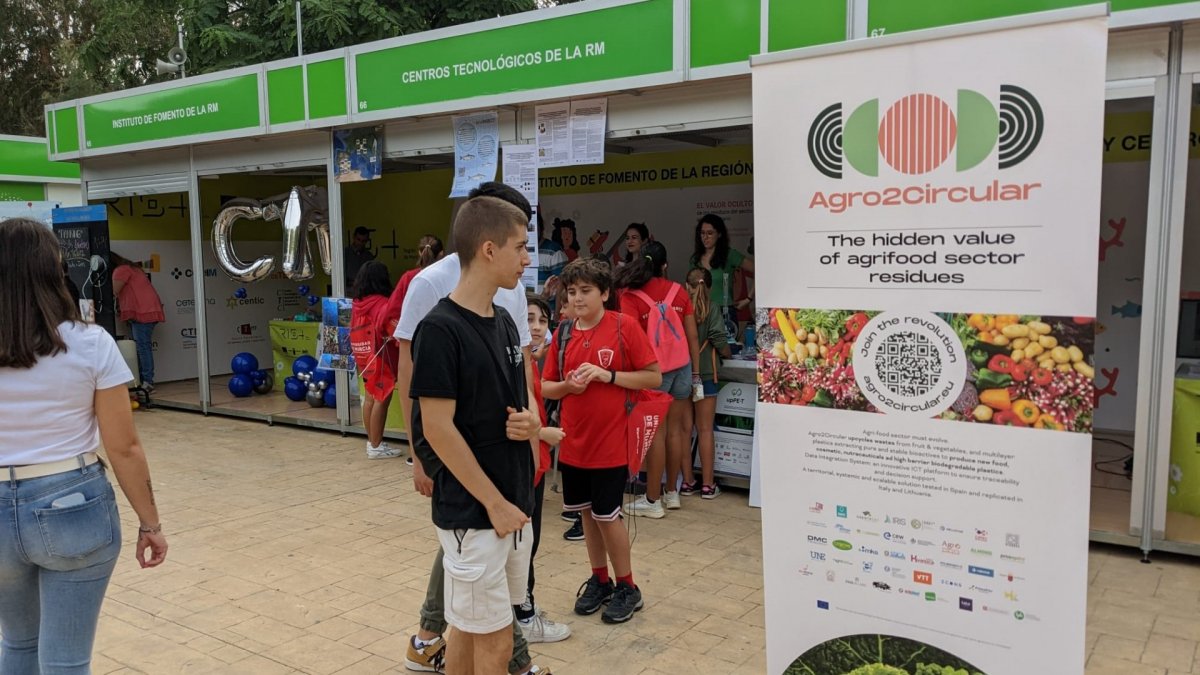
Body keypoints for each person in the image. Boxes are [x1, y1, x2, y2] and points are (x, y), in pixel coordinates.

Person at [394, 182, 564, 675]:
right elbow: (439, 429)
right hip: (476, 513)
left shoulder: (505, 322)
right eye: (520, 247)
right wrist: (492, 502)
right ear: (488, 250)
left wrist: (534, 424)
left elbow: (518, 399)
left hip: (512, 506)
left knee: (470, 629)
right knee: (496, 644)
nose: (527, 259)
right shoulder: (441, 329)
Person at [0, 218, 168, 672]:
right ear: (53, 271)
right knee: (66, 659)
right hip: (71, 502)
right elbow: (124, 447)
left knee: (16, 645)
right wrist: (149, 522)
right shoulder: (91, 343)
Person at [542, 257, 661, 625]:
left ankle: (628, 586)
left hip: (612, 442)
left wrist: (608, 376)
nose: (578, 298)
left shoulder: (624, 327)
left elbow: (653, 378)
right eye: (572, 291)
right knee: (586, 516)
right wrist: (569, 386)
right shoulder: (563, 333)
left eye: (586, 291)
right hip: (573, 442)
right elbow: (545, 386)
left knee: (608, 516)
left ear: (605, 293)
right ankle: (600, 579)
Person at [614, 241, 701, 518]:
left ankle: (652, 501)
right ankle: (671, 493)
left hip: (653, 373)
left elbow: (627, 339)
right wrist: (695, 374)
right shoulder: (679, 291)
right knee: (676, 432)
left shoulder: (630, 295)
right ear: (665, 266)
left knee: (655, 435)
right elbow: (692, 336)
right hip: (683, 368)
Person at [518, 295, 570, 639]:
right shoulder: (516, 363)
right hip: (522, 466)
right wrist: (543, 432)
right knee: (523, 544)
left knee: (528, 542)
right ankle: (523, 616)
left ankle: (523, 609)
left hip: (534, 465)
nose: (536, 327)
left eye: (542, 321)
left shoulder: (531, 362)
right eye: (530, 319)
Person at [681, 268, 731, 499]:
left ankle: (687, 482)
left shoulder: (680, 308)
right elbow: (720, 339)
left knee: (683, 431)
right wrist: (727, 353)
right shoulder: (712, 309)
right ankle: (708, 485)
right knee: (705, 430)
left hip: (682, 374)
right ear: (708, 287)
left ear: (687, 286)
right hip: (707, 375)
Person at [350, 261, 403, 460]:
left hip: (364, 355)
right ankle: (376, 445)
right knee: (382, 398)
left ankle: (372, 441)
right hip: (381, 356)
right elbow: (391, 328)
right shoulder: (381, 303)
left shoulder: (358, 303)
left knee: (370, 398)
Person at [690, 214, 754, 334]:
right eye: (702, 233)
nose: (705, 237)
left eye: (710, 233)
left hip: (725, 314)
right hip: (701, 313)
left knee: (726, 351)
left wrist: (748, 298)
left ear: (719, 234)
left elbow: (758, 270)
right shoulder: (695, 260)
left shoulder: (729, 255)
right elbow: (690, 290)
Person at [111, 253, 165, 392]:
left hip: (142, 312)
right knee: (142, 346)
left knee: (142, 346)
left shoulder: (121, 270)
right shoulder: (133, 268)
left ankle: (147, 381)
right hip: (148, 310)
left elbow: (113, 291)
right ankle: (144, 380)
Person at [389, 235, 445, 319]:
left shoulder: (408, 277)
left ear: (419, 252)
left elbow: (392, 310)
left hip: (414, 329)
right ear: (441, 253)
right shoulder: (450, 277)